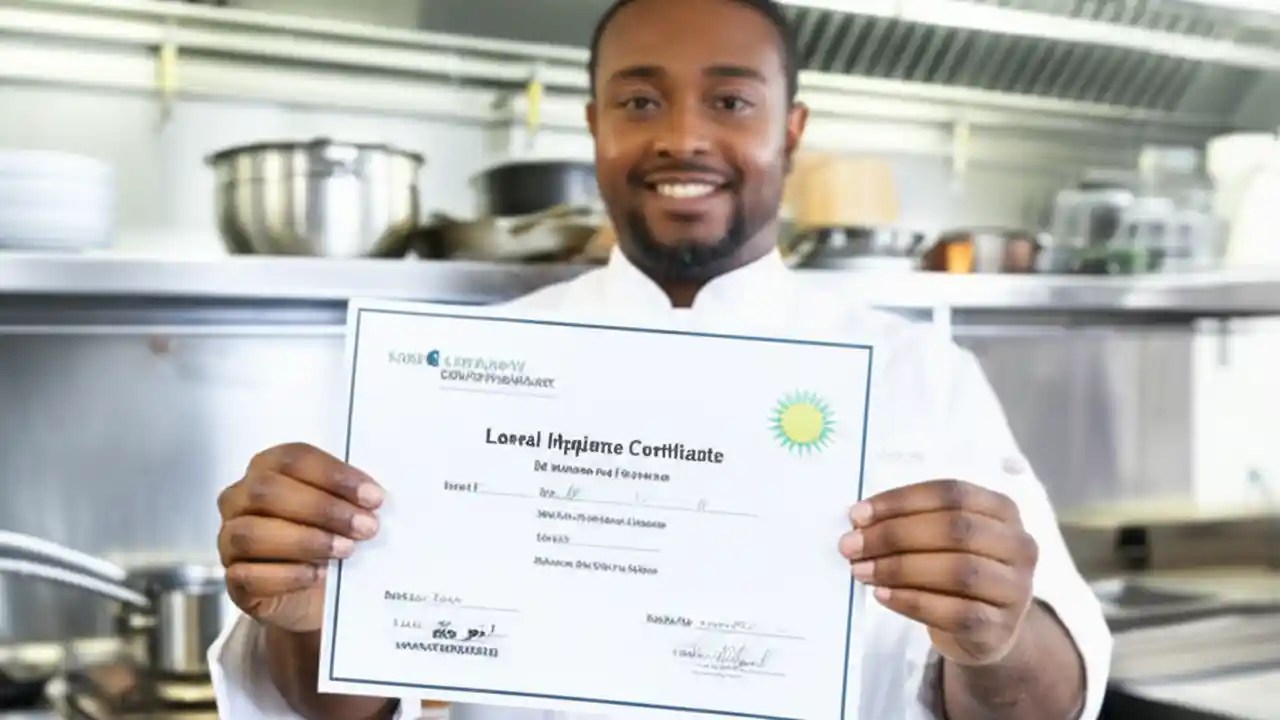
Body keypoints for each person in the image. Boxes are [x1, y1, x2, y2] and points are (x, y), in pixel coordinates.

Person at [209, 0, 1113, 718]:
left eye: (730, 100)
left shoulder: (923, 375)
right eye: (641, 100)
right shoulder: (458, 376)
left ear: (790, 130)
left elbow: (1048, 697)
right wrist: (305, 618)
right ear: (594, 122)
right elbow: (334, 703)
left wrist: (999, 637)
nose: (682, 135)